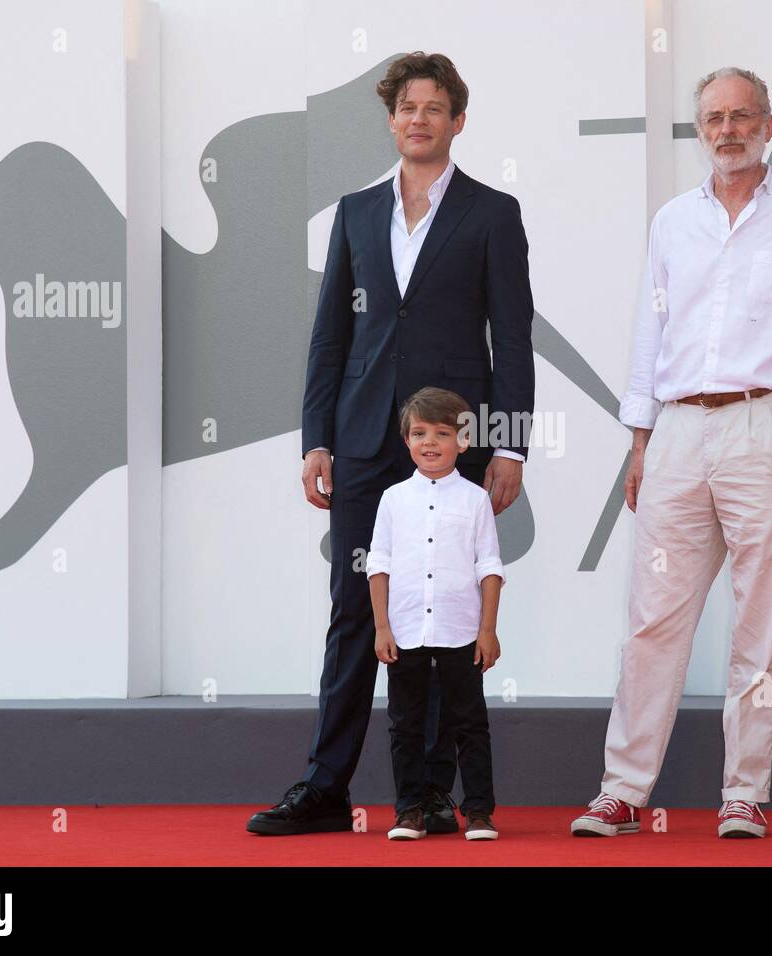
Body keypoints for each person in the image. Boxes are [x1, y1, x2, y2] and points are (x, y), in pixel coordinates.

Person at [247, 52, 533, 836]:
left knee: (443, 616)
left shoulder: (492, 213)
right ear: (390, 118)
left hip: (458, 444)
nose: (419, 118)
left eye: (435, 107)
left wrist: (509, 448)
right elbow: (328, 337)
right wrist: (316, 440)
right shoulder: (355, 212)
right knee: (353, 608)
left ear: (457, 121)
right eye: (407, 106)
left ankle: (431, 795)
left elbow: (511, 338)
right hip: (366, 443)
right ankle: (325, 788)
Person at [570, 67, 772, 839]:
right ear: (699, 130)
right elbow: (648, 334)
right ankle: (623, 789)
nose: (726, 130)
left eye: (740, 116)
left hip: (768, 424)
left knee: (760, 619)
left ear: (770, 124)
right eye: (712, 119)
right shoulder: (672, 222)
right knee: (651, 618)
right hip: (676, 430)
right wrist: (640, 439)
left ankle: (744, 792)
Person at [367, 387, 504, 841]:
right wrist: (382, 627)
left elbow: (489, 568)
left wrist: (488, 630)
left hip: (460, 630)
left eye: (442, 433)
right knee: (404, 724)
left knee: (470, 722)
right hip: (405, 630)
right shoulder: (392, 499)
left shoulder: (474, 500)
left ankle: (480, 811)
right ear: (405, 439)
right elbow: (379, 564)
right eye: (420, 432)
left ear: (463, 441)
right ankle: (410, 810)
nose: (430, 442)